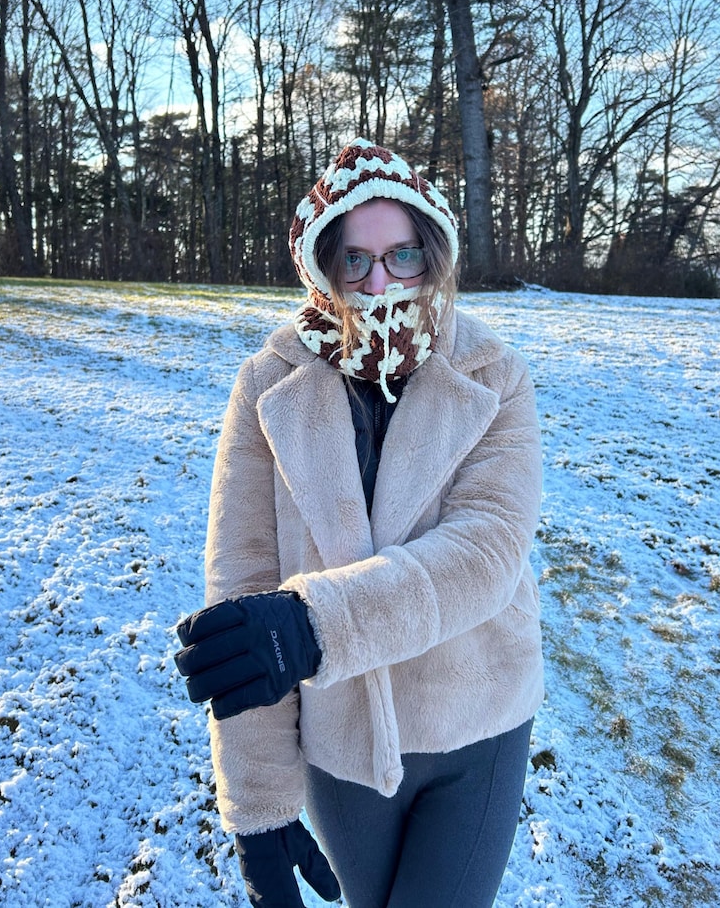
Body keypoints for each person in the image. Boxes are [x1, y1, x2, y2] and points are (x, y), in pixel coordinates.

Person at [174, 138, 544, 908]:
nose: (381, 281)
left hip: (477, 719)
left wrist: (314, 625)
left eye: (401, 254)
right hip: (343, 740)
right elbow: (244, 586)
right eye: (356, 259)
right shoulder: (269, 385)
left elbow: (488, 549)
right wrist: (259, 802)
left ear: (431, 253)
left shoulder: (494, 373)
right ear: (324, 265)